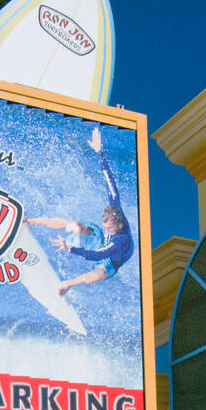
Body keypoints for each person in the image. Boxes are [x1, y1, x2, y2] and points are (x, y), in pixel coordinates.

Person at [26, 127, 134, 296]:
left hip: (113, 260)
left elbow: (101, 254)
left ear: (119, 225)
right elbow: (109, 181)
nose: (107, 230)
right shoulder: (115, 209)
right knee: (75, 226)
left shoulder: (121, 239)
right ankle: (30, 220)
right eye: (105, 226)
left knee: (97, 275)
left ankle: (68, 284)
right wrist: (99, 152)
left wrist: (71, 249)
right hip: (100, 241)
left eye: (110, 228)